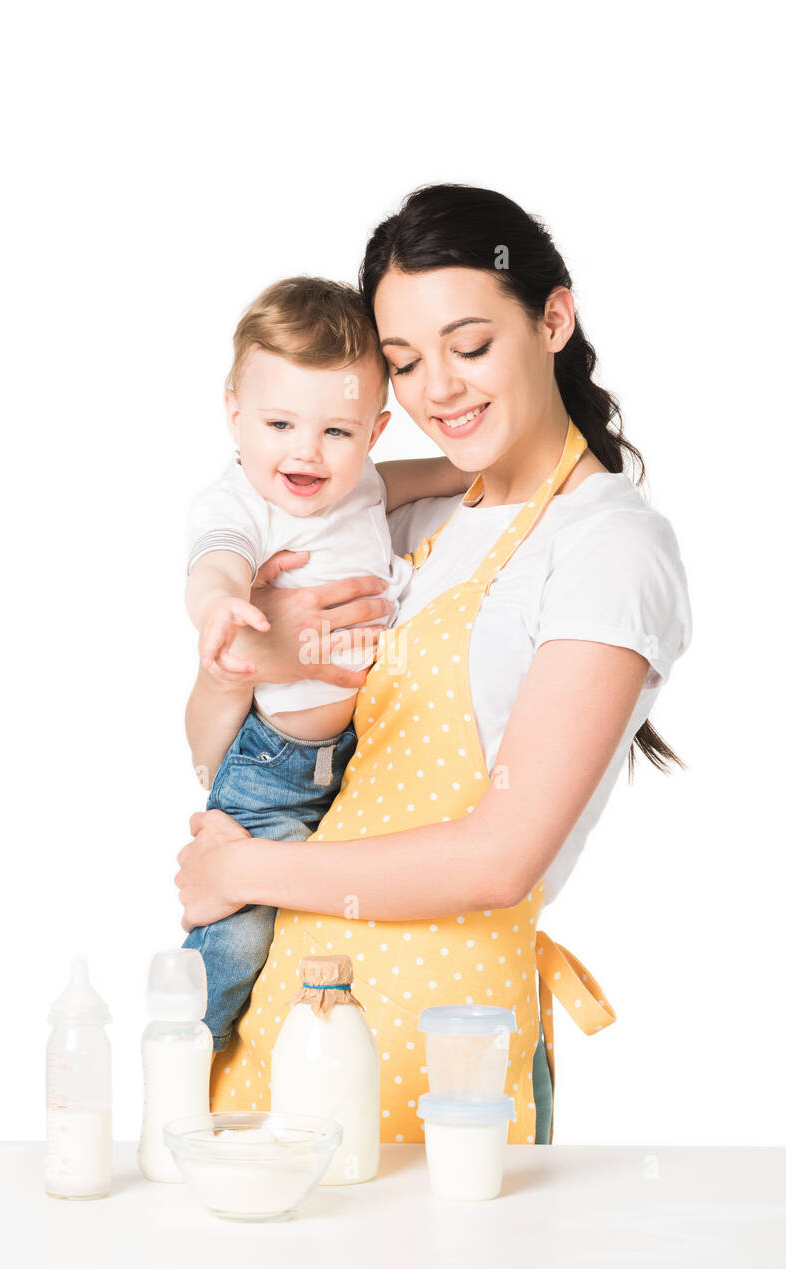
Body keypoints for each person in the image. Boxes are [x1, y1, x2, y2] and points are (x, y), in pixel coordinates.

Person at [176, 185, 692, 1144]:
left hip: (443, 1039)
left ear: (551, 317)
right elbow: (220, 760)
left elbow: (497, 859)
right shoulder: (402, 518)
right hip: (290, 1018)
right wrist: (242, 661)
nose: (437, 391)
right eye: (405, 363)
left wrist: (244, 867)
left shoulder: (606, 546)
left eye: (470, 345)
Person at [182, 276, 467, 1055]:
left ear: (372, 432)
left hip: (354, 764)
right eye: (279, 423)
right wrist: (220, 609)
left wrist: (464, 471)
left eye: (336, 432)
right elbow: (215, 559)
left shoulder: (360, 483)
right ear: (235, 413)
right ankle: (186, 1047)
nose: (305, 451)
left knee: (320, 937)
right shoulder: (239, 499)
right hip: (273, 764)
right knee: (238, 937)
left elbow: (399, 483)